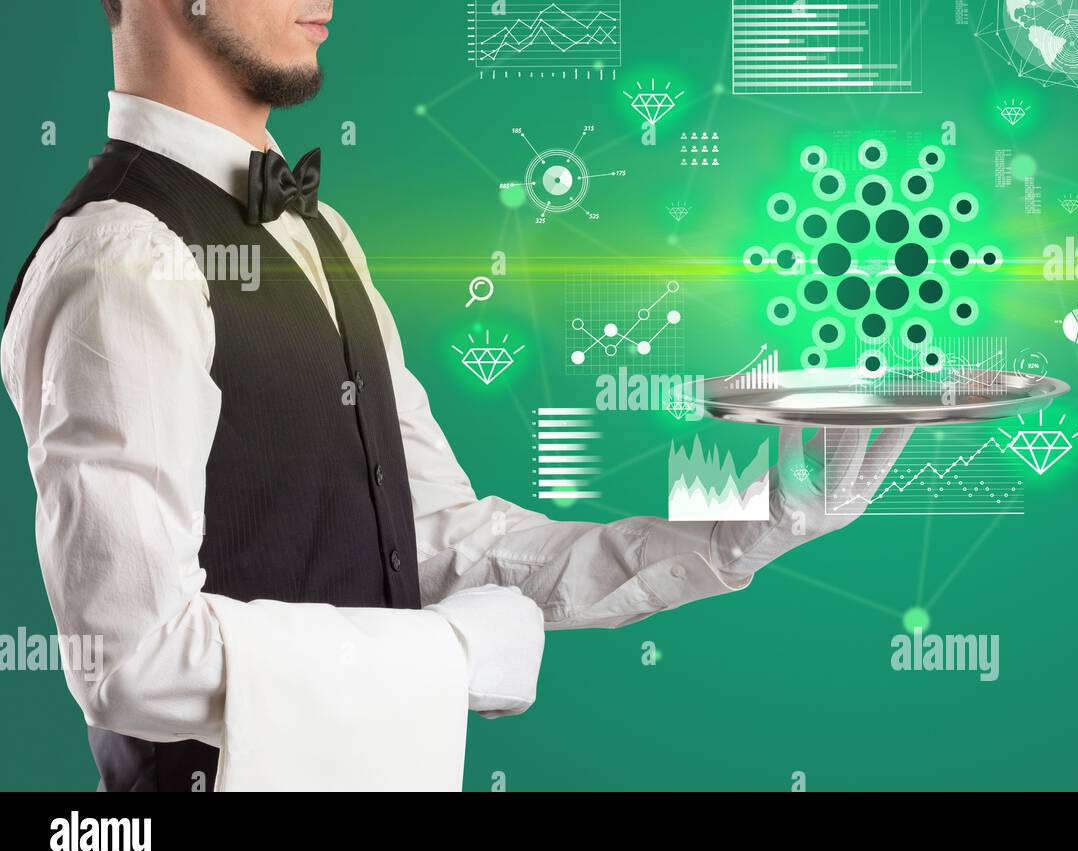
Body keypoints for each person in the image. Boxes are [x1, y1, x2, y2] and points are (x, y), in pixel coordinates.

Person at [1, 0, 912, 791]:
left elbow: (445, 544)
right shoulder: (122, 257)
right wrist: (454, 657)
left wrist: (750, 525)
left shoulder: (326, 236)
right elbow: (130, 658)